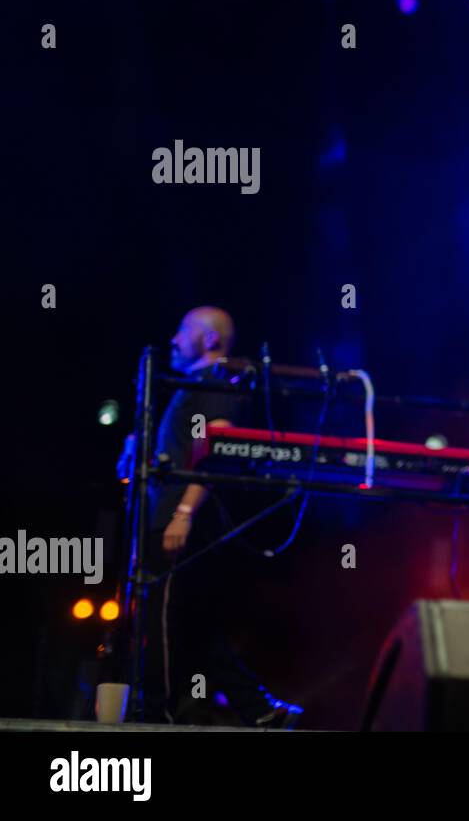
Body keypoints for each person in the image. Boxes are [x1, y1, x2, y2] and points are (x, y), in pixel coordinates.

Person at [139, 306, 301, 728]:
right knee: (194, 624)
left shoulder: (215, 382)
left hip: (182, 519)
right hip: (178, 517)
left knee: (162, 622)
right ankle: (261, 710)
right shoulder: (196, 384)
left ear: (210, 340)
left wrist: (183, 512)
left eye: (182, 330)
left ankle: (153, 714)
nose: (173, 340)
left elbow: (215, 451)